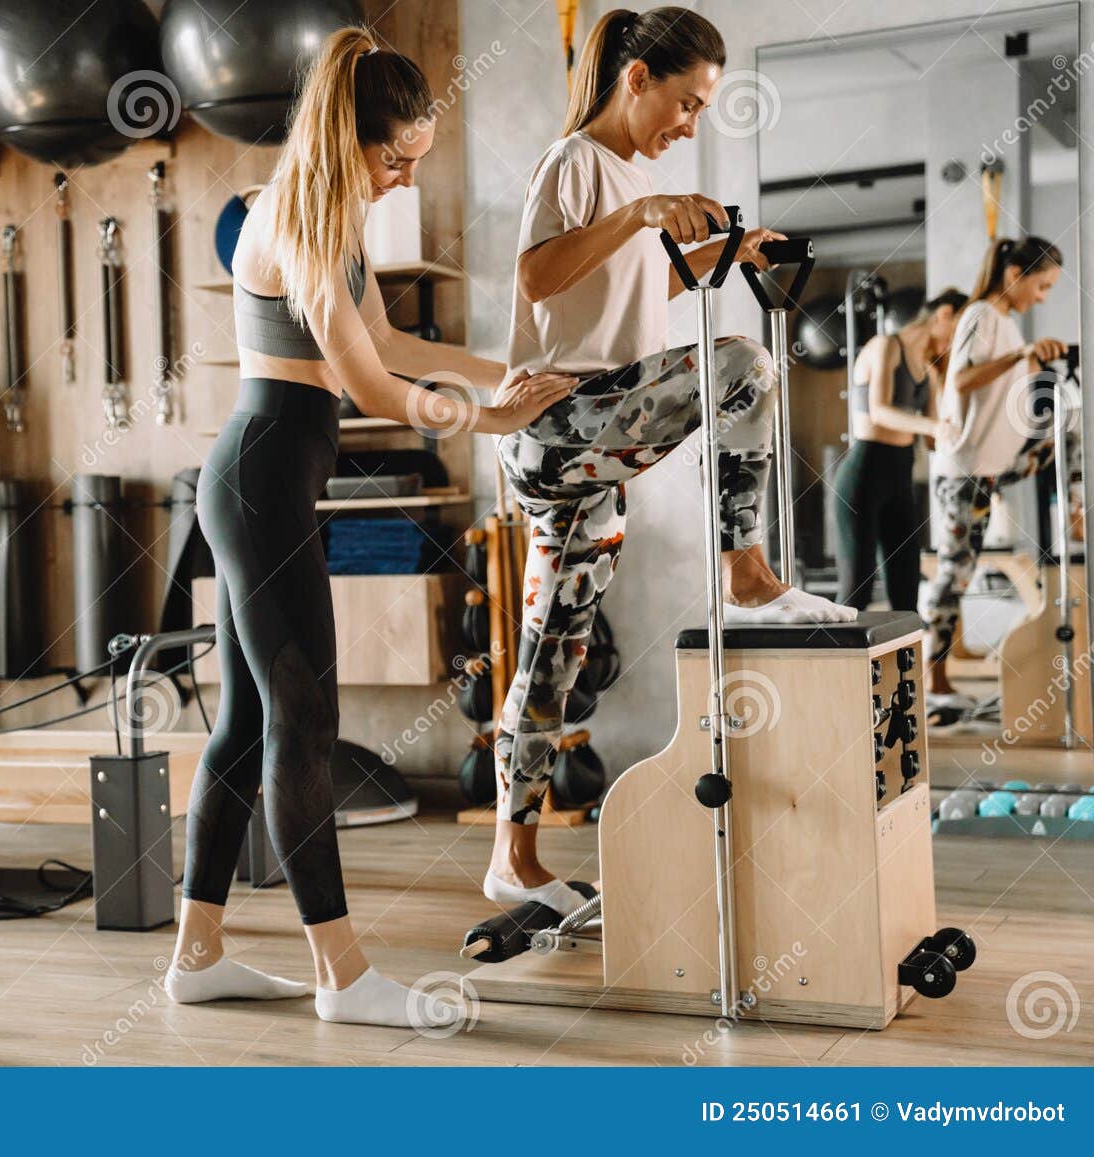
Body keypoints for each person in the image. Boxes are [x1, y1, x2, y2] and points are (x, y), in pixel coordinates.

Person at [164, 27, 576, 1027]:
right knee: (302, 723)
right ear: (347, 136)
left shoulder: (334, 215)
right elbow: (366, 384)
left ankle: (196, 955)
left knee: (248, 725)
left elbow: (394, 339)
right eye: (392, 157)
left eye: (415, 162)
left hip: (268, 478)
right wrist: (488, 420)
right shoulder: (298, 225)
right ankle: (341, 976)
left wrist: (503, 373)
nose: (400, 177)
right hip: (260, 478)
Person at [483, 6, 857, 909]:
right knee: (742, 366)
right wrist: (645, 212)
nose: (689, 125)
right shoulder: (575, 162)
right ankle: (747, 570)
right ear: (638, 78)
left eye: (701, 111)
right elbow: (538, 276)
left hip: (594, 443)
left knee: (553, 652)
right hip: (557, 423)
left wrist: (721, 250)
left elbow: (635, 281)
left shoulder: (620, 180)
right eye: (685, 104)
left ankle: (512, 853)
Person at [919, 236, 1084, 711]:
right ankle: (935, 680)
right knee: (956, 573)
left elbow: (1009, 397)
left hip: (996, 465)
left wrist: (1036, 360)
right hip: (965, 471)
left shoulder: (1008, 325)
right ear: (1015, 275)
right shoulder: (979, 315)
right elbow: (965, 378)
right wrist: (1020, 356)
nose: (1043, 297)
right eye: (1042, 286)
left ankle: (1076, 516)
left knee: (1067, 430)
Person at [834, 289, 968, 611]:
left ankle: (906, 662)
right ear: (945, 314)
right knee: (857, 590)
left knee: (907, 590)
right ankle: (833, 661)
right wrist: (934, 426)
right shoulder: (886, 346)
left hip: (900, 475)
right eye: (960, 328)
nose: (959, 339)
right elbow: (879, 410)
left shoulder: (928, 368)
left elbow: (934, 440)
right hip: (865, 473)